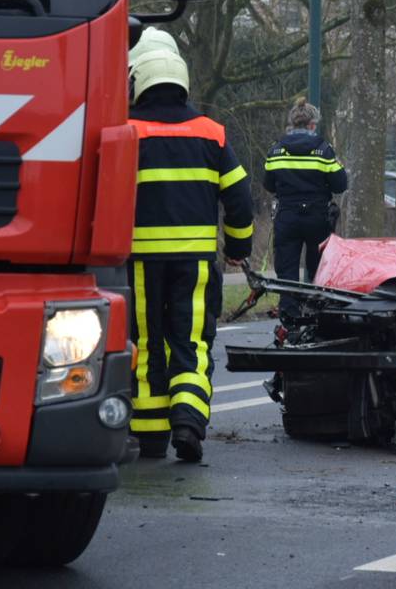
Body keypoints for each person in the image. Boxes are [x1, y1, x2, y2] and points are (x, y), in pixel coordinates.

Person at [126, 40, 254, 463]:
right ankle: (188, 422)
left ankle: (149, 437)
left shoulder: (127, 132)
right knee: (192, 343)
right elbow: (239, 196)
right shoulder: (211, 133)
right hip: (195, 263)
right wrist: (238, 246)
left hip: (139, 263)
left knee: (147, 344)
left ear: (138, 82)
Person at [264, 99, 348, 323]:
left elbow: (268, 184)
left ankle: (289, 318)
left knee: (287, 270)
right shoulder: (324, 150)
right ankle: (316, 315)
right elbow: (340, 185)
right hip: (317, 217)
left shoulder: (276, 150)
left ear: (293, 123)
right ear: (312, 124)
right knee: (319, 268)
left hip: (287, 216)